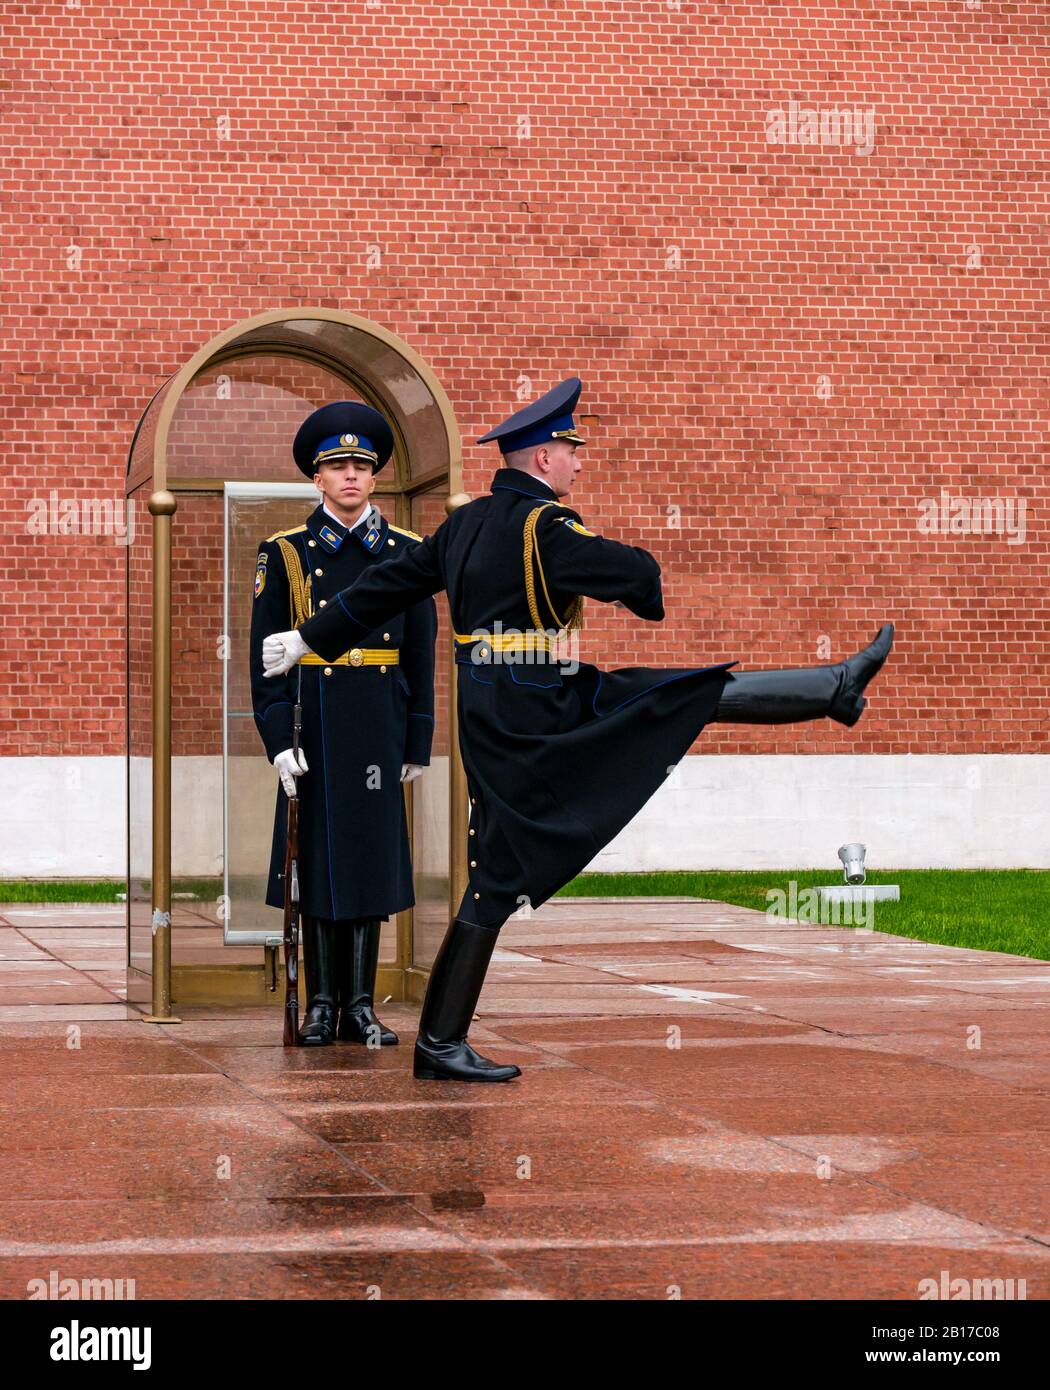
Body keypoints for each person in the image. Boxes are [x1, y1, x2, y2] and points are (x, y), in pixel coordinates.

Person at [262, 378, 893, 1078]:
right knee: (674, 703)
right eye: (570, 449)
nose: (578, 463)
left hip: (496, 709)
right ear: (540, 460)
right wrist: (633, 568)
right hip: (539, 710)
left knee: (519, 852)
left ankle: (832, 686)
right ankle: (439, 1043)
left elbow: (381, 588)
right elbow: (638, 579)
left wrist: (306, 637)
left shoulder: (465, 525)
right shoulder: (545, 528)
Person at [250, 401, 437, 1046]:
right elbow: (265, 663)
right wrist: (277, 743)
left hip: (379, 724)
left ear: (377, 475)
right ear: (317, 479)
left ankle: (361, 1003)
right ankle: (322, 1005)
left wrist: (418, 739)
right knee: (320, 864)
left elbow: (420, 654)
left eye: (362, 465)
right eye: (338, 467)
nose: (351, 476)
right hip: (316, 724)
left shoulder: (408, 553)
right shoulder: (287, 556)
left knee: (370, 863)